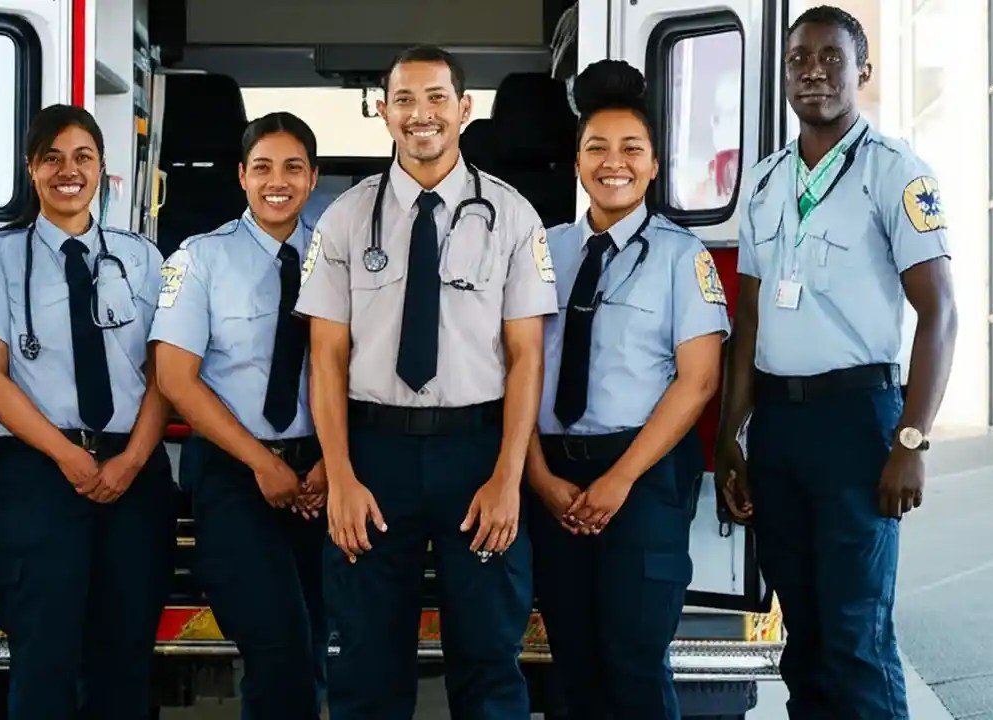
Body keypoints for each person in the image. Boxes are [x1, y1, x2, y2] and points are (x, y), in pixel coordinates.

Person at [295, 45, 558, 719]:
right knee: (366, 662)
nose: (422, 115)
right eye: (405, 101)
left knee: (490, 658)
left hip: (477, 450)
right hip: (373, 455)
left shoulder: (514, 216)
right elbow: (325, 356)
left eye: (437, 98)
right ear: (383, 113)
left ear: (465, 109)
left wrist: (508, 478)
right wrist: (341, 476)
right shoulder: (345, 219)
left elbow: (527, 356)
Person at [715, 7, 957, 718]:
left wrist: (910, 441)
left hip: (859, 424)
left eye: (830, 58)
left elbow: (939, 312)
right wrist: (733, 435)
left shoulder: (897, 173)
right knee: (807, 637)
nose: (812, 70)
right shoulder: (762, 183)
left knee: (855, 637)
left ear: (863, 73)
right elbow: (750, 321)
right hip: (782, 429)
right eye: (798, 59)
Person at [0, 104, 176, 720]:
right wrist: (67, 454)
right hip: (38, 478)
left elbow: (167, 373)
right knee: (44, 660)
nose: (68, 171)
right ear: (31, 169)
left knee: (124, 661)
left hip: (134, 477)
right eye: (52, 157)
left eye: (83, 157)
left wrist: (132, 458)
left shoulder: (146, 260)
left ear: (105, 168)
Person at [526, 59, 729, 718]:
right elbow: (514, 371)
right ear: (578, 163)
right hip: (553, 478)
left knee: (634, 661)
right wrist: (537, 477)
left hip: (641, 478)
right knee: (571, 667)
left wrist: (620, 480)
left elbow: (698, 382)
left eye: (631, 149)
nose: (613, 162)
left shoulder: (682, 256)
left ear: (653, 166)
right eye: (597, 149)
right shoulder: (539, 252)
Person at [151, 111, 328, 720]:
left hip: (323, 481)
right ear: (241, 177)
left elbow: (360, 371)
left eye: (293, 168)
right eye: (262, 168)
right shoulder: (198, 259)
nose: (277, 181)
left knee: (312, 651)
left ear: (312, 179)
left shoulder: (344, 262)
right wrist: (262, 464)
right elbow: (176, 378)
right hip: (233, 475)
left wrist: (332, 463)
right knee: (277, 646)